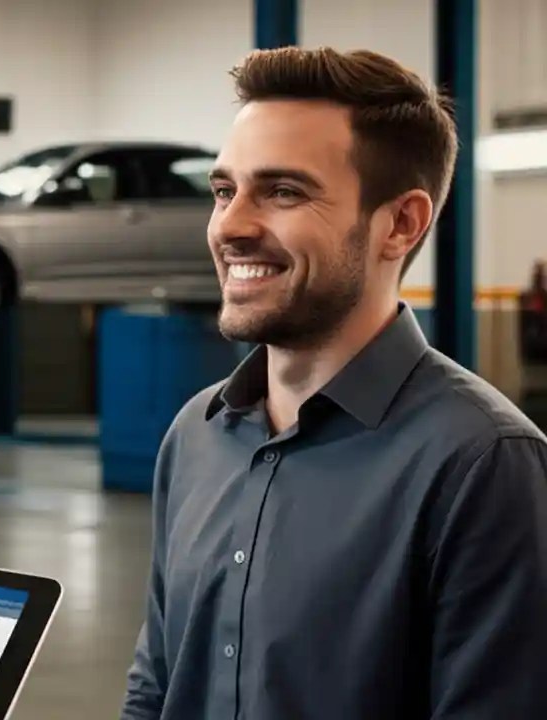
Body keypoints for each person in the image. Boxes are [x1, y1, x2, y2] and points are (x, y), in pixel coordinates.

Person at [121, 46, 547, 720]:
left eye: (284, 191)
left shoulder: (481, 463)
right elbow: (157, 688)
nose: (230, 226)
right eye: (224, 190)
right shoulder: (196, 434)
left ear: (400, 224)